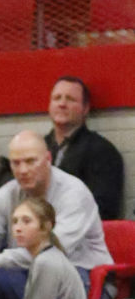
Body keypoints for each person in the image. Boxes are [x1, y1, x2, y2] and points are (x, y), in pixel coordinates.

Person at [0, 129, 110, 299]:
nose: (22, 170)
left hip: (78, 274)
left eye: (30, 161)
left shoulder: (73, 192)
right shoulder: (7, 194)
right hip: (26, 271)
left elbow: (50, 250)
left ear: (48, 158)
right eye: (16, 163)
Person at [45, 75, 124, 220]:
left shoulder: (102, 152)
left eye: (70, 99)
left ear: (85, 108)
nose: (62, 104)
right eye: (57, 98)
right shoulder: (37, 148)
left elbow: (104, 210)